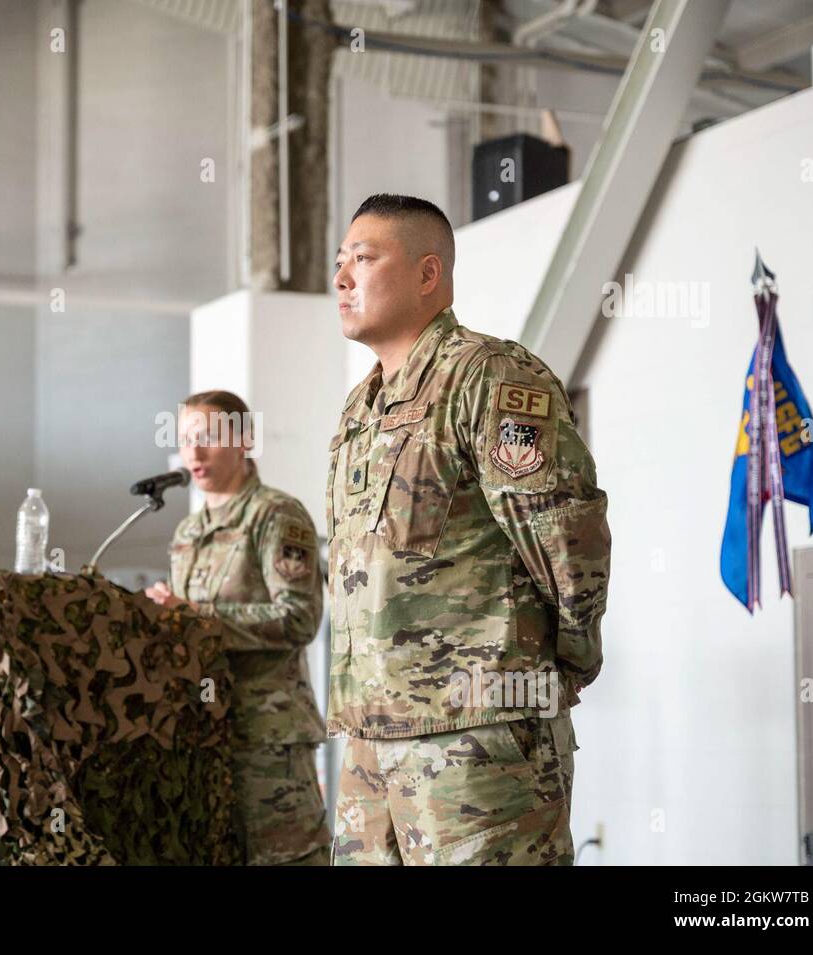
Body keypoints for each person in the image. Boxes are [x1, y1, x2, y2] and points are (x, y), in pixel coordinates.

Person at [326, 193, 611, 865]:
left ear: (429, 274)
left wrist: (562, 661)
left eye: (363, 259)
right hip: (371, 739)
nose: (341, 278)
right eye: (339, 262)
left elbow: (566, 538)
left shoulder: (489, 376)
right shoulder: (361, 409)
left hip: (478, 739)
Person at [145, 390, 330, 865]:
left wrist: (195, 617)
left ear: (244, 440)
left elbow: (298, 618)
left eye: (207, 437)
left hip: (267, 736)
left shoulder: (276, 516)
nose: (194, 453)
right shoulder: (188, 531)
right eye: (185, 440)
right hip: (202, 732)